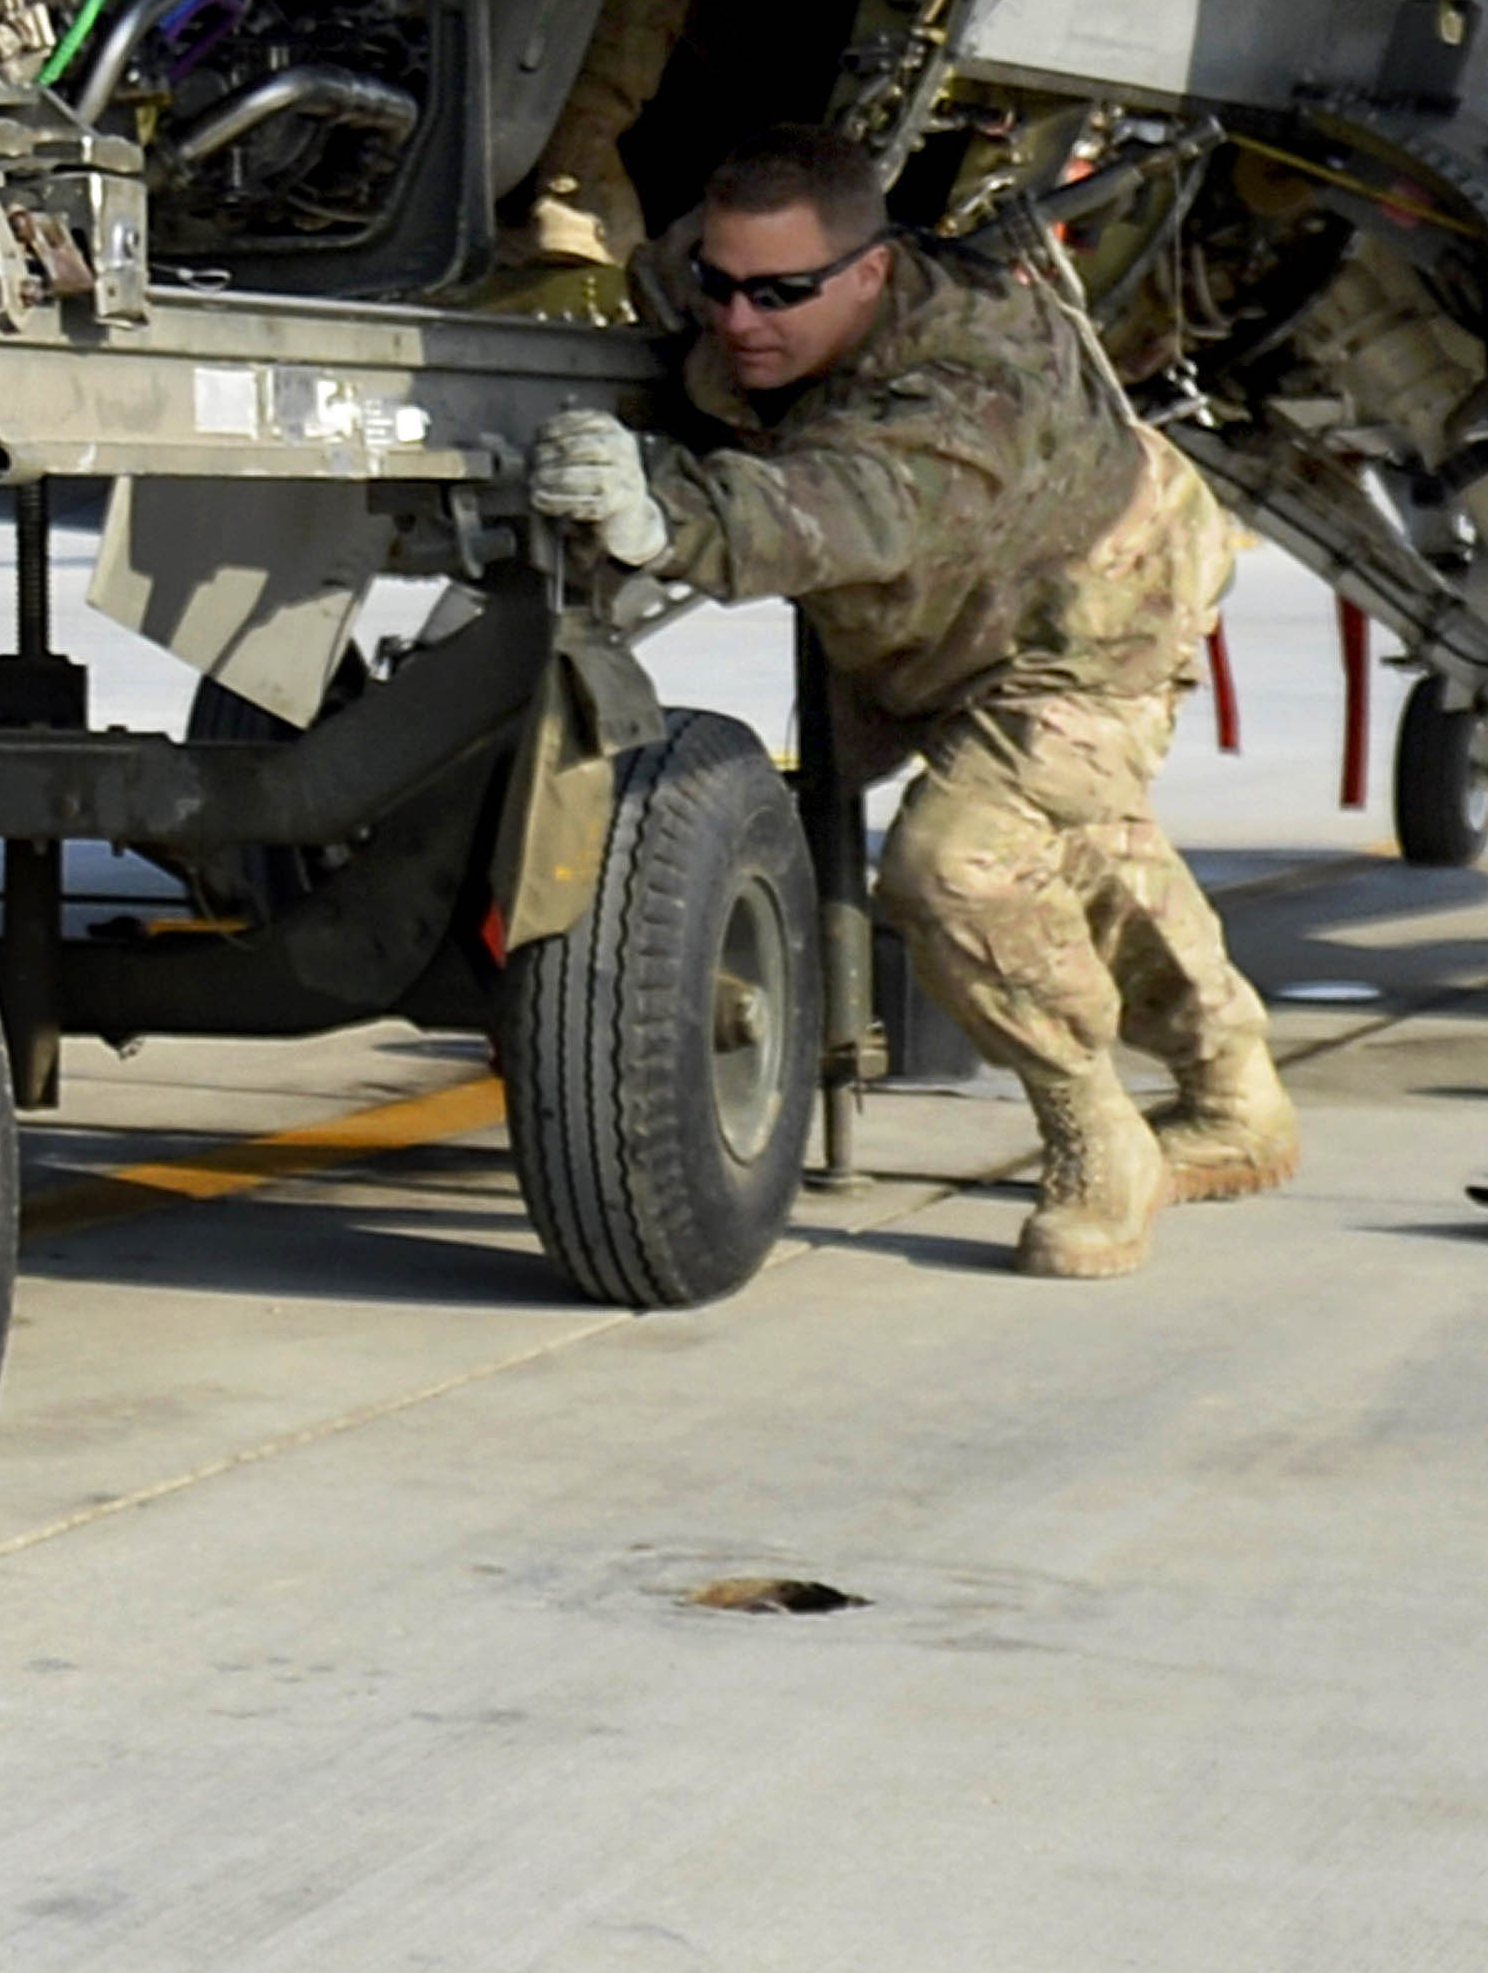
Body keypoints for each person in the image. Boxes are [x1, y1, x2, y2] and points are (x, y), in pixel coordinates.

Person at [522, 132, 1289, 1276]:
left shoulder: (974, 381)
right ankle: (1237, 1098)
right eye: (721, 287)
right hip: (944, 625)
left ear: (869, 274)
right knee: (1081, 842)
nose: (739, 320)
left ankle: (1095, 1133)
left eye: (780, 293)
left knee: (959, 865)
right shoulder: (746, 294)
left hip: (1096, 613)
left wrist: (662, 513)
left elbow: (849, 505)